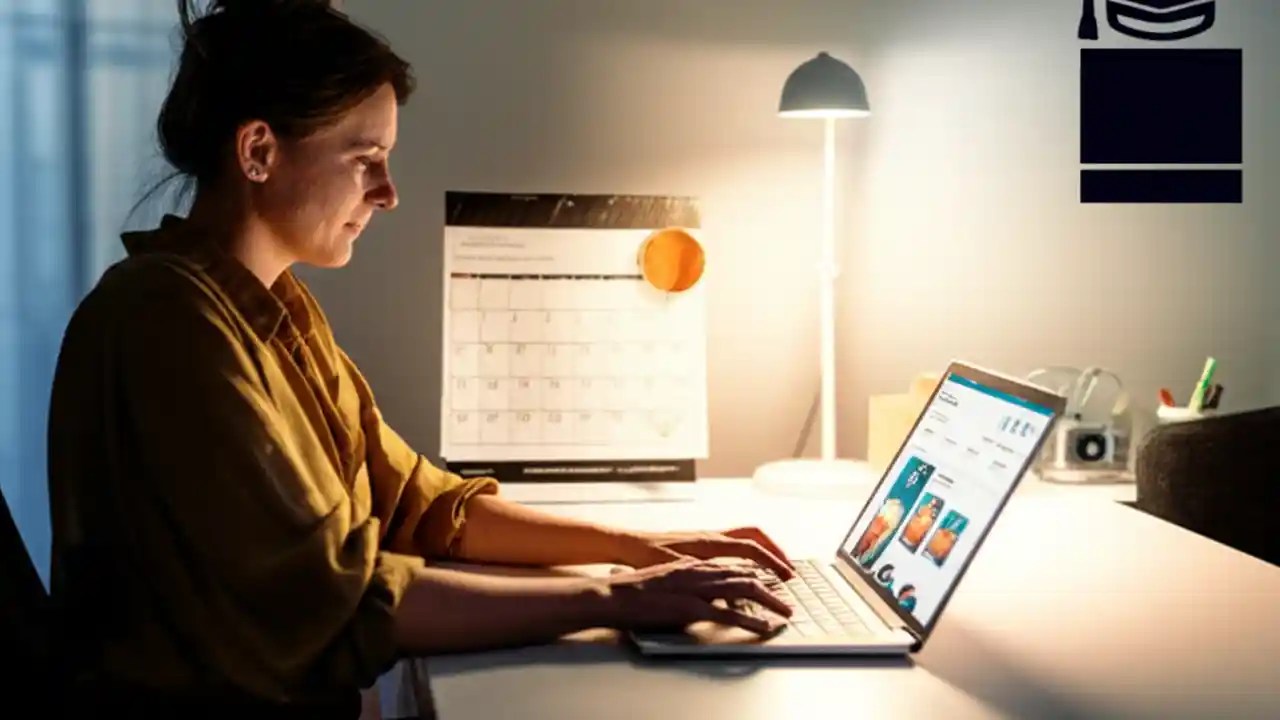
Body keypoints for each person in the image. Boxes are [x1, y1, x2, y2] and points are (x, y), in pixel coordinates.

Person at [45, 0, 793, 716]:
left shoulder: (271, 308)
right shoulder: (165, 322)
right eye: (365, 159)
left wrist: (637, 549)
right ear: (259, 151)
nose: (388, 193)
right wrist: (617, 600)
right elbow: (340, 596)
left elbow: (418, 503)